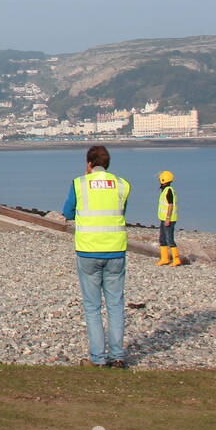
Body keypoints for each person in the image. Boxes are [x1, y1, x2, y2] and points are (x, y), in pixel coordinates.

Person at [62, 145, 131, 368]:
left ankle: (98, 358)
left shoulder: (79, 184)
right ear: (107, 164)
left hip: (88, 249)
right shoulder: (122, 185)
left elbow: (68, 212)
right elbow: (121, 210)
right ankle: (118, 356)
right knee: (115, 304)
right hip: (116, 249)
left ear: (89, 164)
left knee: (92, 307)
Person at [155, 170, 182, 266]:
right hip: (163, 219)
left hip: (168, 219)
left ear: (163, 180)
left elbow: (170, 205)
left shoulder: (169, 190)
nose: (159, 180)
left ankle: (176, 259)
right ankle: (164, 258)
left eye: (160, 179)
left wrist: (168, 218)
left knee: (169, 239)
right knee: (162, 239)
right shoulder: (165, 190)